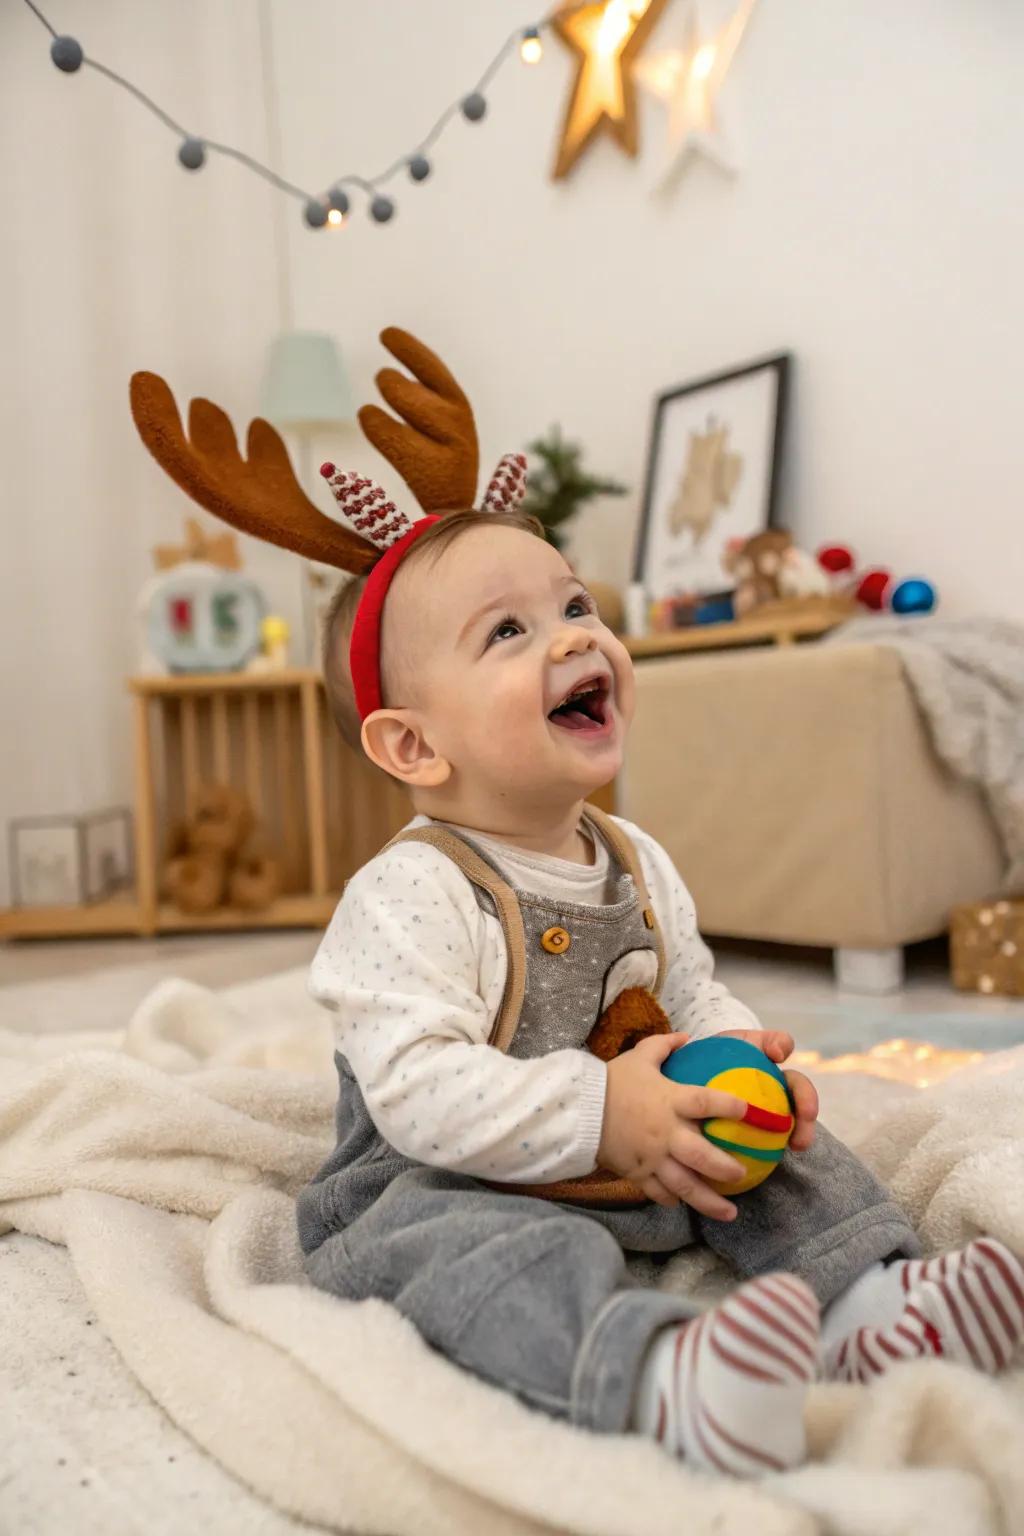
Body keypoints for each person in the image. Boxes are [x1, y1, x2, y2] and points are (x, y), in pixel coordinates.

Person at [296, 482, 1024, 1479]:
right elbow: (417, 1094)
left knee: (789, 1152)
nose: (571, 639)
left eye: (575, 605)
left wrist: (730, 1056)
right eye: (508, 631)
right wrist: (603, 1112)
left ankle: (869, 1304)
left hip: (626, 1155)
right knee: (467, 1251)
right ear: (414, 744)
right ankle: (656, 1375)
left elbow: (687, 991)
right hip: (449, 1172)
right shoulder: (409, 893)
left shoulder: (631, 856)